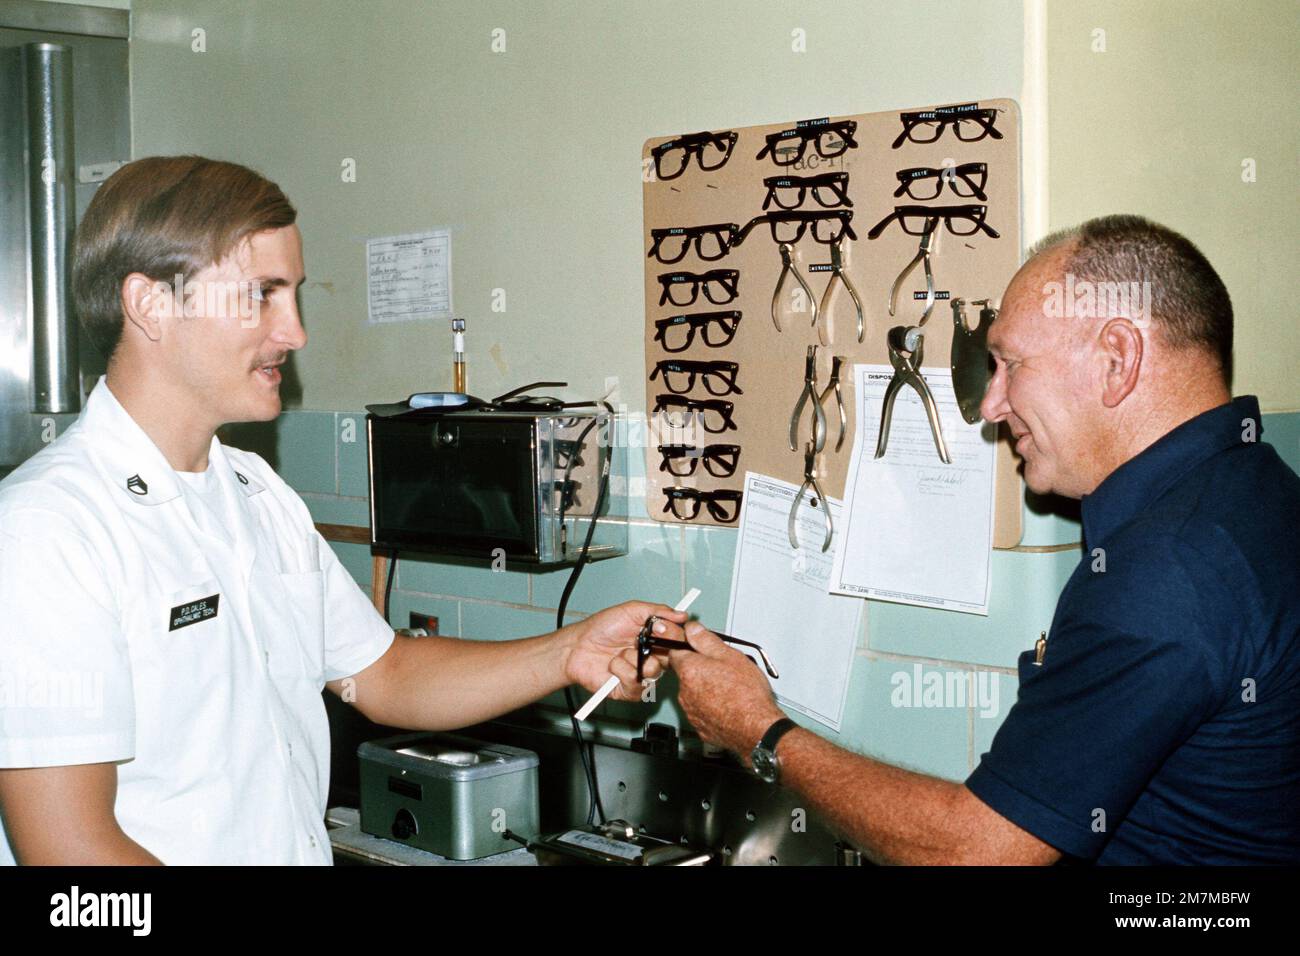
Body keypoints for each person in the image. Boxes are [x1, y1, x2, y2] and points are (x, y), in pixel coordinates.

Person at [0, 156, 684, 865]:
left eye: (293, 295)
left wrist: (571, 652)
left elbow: (385, 676)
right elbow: (68, 853)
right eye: (261, 295)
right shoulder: (48, 530)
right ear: (150, 305)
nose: (294, 332)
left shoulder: (257, 493)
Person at [668, 215, 1300, 864]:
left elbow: (976, 853)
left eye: (1010, 365)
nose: (991, 404)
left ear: (1117, 359)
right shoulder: (1257, 495)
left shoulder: (1165, 571)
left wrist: (760, 733)